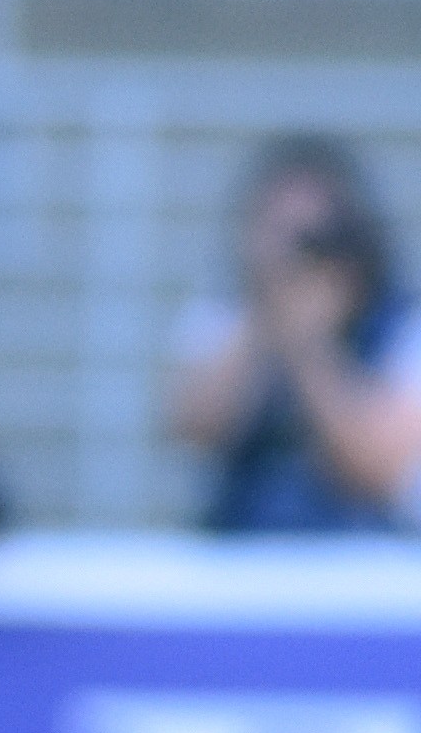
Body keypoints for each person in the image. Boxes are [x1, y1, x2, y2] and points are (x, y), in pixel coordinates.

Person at [168, 137, 421, 534]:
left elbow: (378, 468)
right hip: (240, 557)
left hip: (364, 567)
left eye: (313, 240)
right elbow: (195, 431)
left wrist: (310, 347)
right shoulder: (229, 315)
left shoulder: (403, 328)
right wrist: (264, 316)